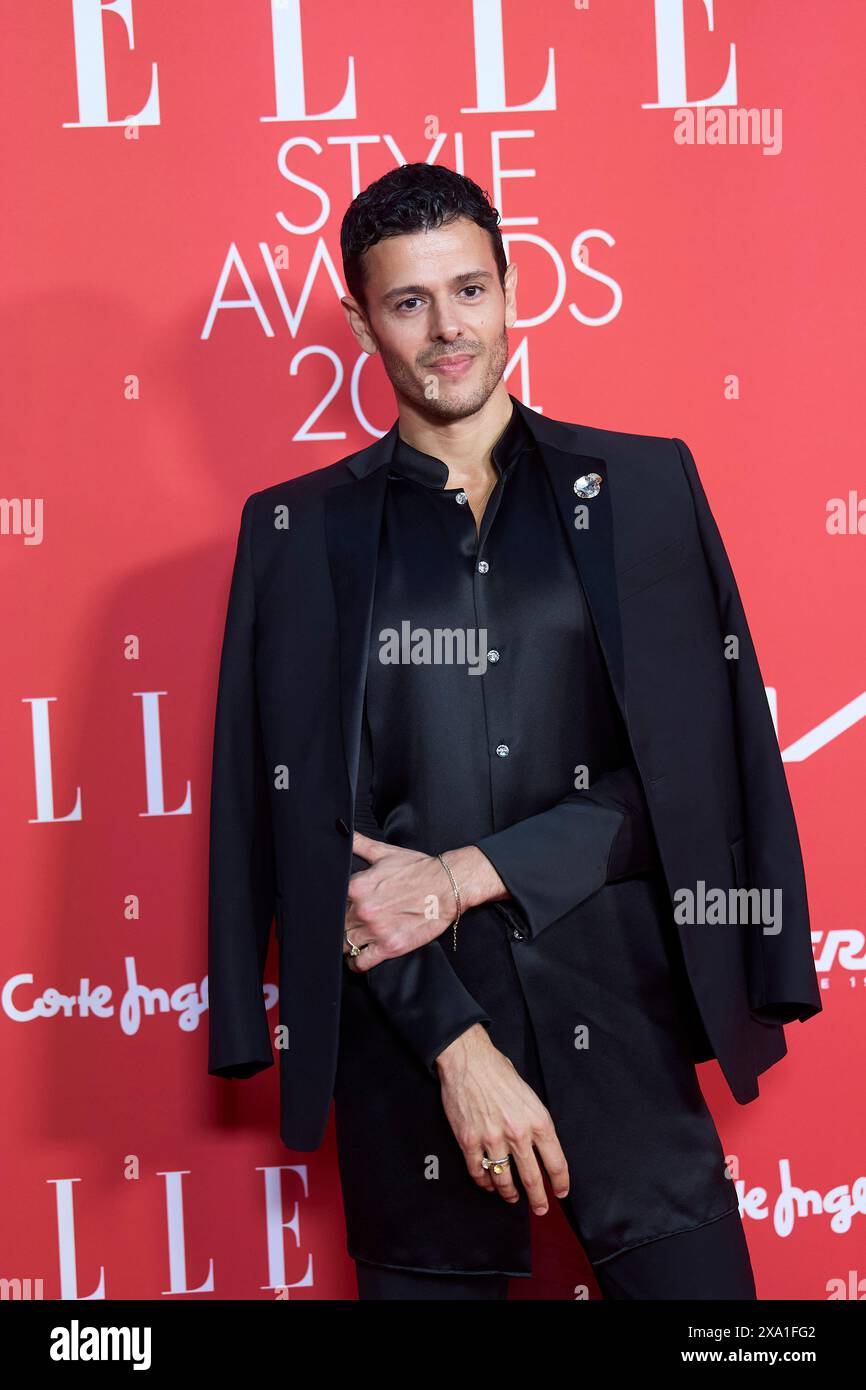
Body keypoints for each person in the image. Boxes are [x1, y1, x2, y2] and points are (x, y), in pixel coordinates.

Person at [206, 164, 822, 1300]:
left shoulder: (642, 488)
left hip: (623, 1025)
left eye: (469, 290)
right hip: (409, 1051)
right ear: (357, 318)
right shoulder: (293, 534)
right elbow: (307, 825)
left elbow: (686, 785)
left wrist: (466, 872)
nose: (448, 330)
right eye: (407, 302)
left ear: (510, 287)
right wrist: (459, 1048)